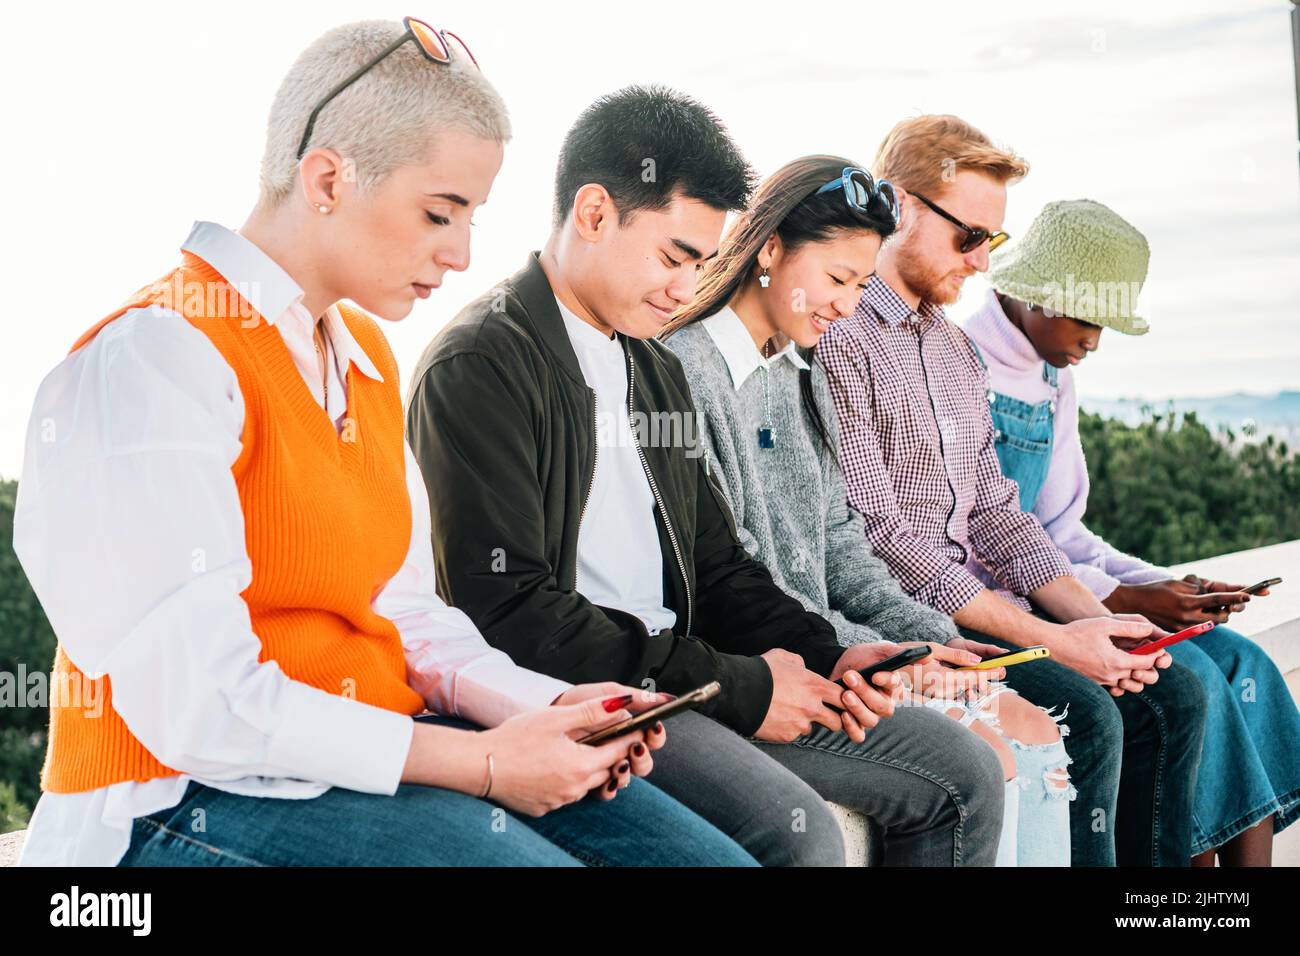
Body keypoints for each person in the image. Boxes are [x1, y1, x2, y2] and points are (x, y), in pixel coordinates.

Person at [12, 18, 754, 868]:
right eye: (441, 212)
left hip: (365, 754)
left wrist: (545, 706)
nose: (463, 252)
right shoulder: (155, 357)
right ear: (327, 177)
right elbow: (201, 709)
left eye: (473, 216)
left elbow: (402, 614)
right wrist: (481, 762)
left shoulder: (361, 357)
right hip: (176, 802)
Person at [407, 89, 1007, 866]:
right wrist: (743, 685)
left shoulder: (651, 365)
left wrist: (827, 653)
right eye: (673, 258)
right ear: (593, 214)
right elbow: (513, 613)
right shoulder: (483, 364)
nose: (687, 288)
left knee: (961, 772)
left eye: (698, 262)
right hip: (593, 694)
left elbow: (719, 561)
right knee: (797, 834)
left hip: (691, 671)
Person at [816, 114, 1208, 866]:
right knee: (1090, 717)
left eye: (992, 242)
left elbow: (999, 515)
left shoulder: (956, 350)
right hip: (915, 618)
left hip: (984, 601)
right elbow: (885, 541)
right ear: (897, 205)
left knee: (1174, 696)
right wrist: (1062, 642)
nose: (983, 261)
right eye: (969, 237)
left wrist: (1103, 626)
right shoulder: (841, 337)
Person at [662, 154, 1073, 866]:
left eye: (859, 283)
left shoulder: (799, 373)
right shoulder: (686, 374)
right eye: (836, 280)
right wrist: (866, 655)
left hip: (830, 655)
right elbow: (729, 579)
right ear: (768, 250)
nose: (849, 305)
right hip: (763, 677)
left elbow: (843, 545)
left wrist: (923, 639)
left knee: (1029, 730)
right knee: (982, 763)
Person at [963, 197, 1300, 866]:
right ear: (1037, 295)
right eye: (1089, 319)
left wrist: (1165, 585)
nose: (1094, 341)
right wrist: (1137, 604)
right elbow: (984, 547)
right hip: (997, 612)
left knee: (1244, 660)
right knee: (1187, 683)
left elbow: (1062, 532)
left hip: (1065, 592)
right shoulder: (958, 364)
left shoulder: (1054, 378)